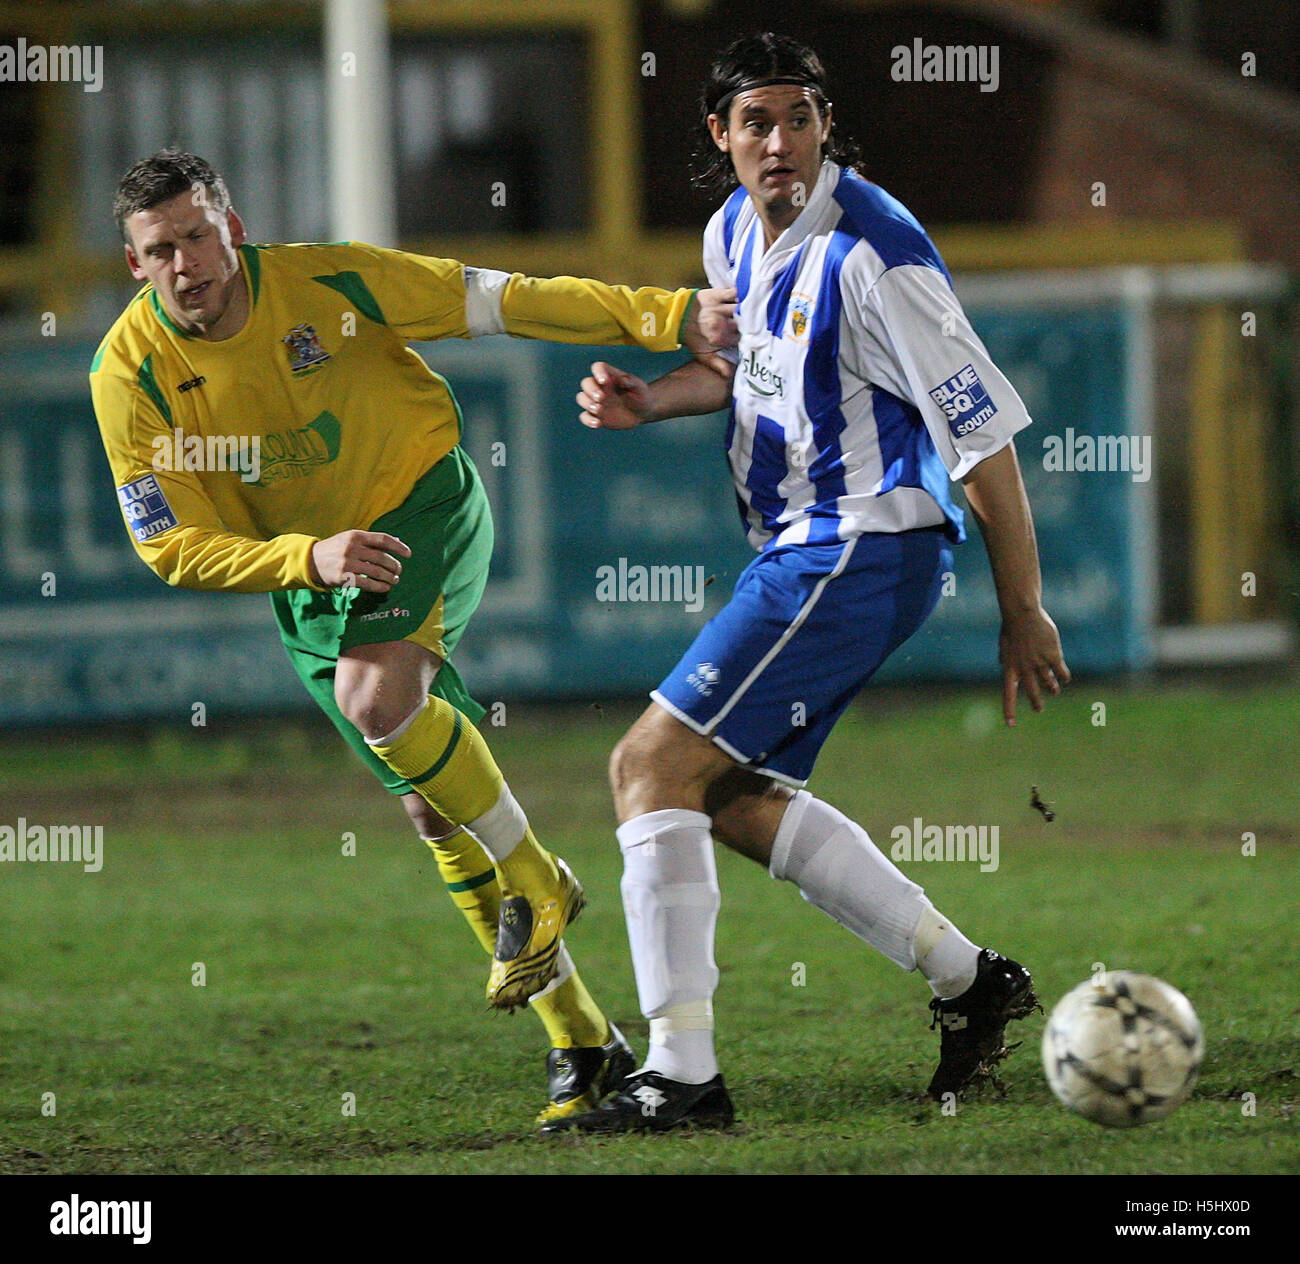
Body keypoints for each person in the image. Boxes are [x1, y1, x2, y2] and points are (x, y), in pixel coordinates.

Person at [91, 148, 737, 1126]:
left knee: (377, 698)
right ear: (134, 264)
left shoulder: (334, 282)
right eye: (159, 248)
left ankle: (537, 878)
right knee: (432, 810)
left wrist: (668, 315)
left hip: (419, 504)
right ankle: (582, 1039)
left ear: (232, 225)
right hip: (312, 571)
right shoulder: (126, 371)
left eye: (196, 233)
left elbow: (507, 298)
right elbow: (167, 544)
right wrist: (308, 561)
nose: (185, 261)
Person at [546, 32, 1071, 1134]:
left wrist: (1022, 608)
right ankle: (973, 983)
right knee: (723, 797)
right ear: (720, 137)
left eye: (797, 118)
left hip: (861, 547)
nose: (777, 141)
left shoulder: (877, 253)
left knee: (648, 763)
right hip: (803, 550)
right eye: (755, 122)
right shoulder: (733, 231)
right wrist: (653, 400)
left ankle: (682, 1077)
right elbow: (735, 373)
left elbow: (981, 442)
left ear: (825, 126)